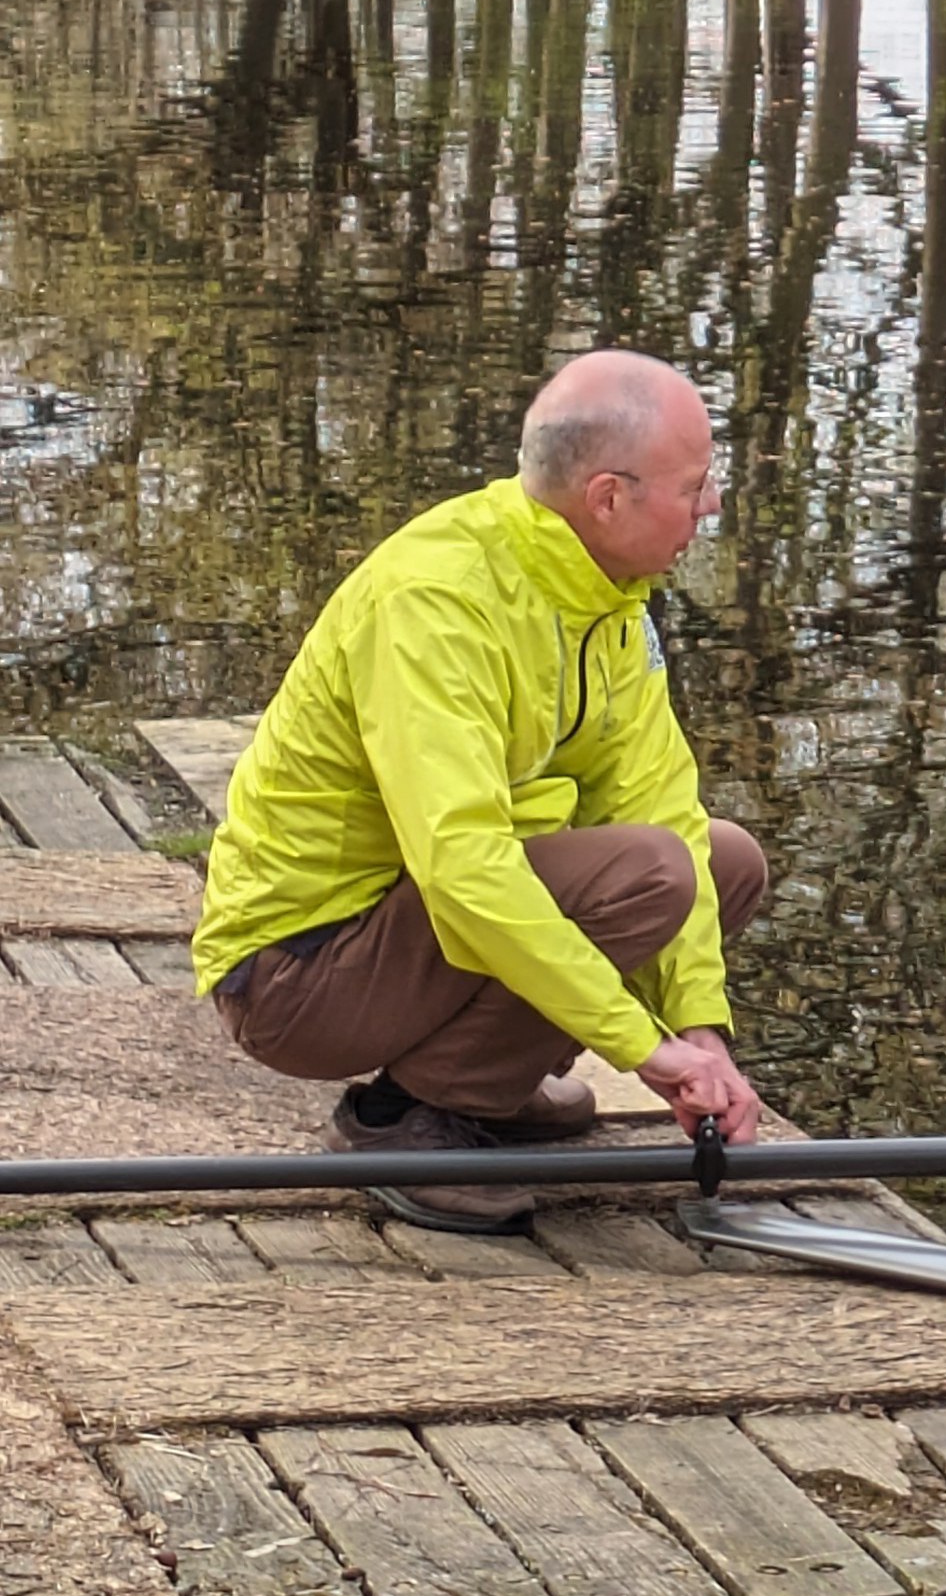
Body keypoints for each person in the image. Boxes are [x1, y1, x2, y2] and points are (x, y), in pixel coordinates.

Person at [192, 349, 765, 1236]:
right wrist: (642, 1049)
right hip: (300, 971)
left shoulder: (608, 597)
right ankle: (401, 1124)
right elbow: (463, 865)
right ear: (608, 499)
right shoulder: (438, 599)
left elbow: (661, 802)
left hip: (404, 930)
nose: (714, 504)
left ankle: (483, 1082)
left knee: (721, 861)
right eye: (696, 486)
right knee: (650, 873)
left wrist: (699, 1034)